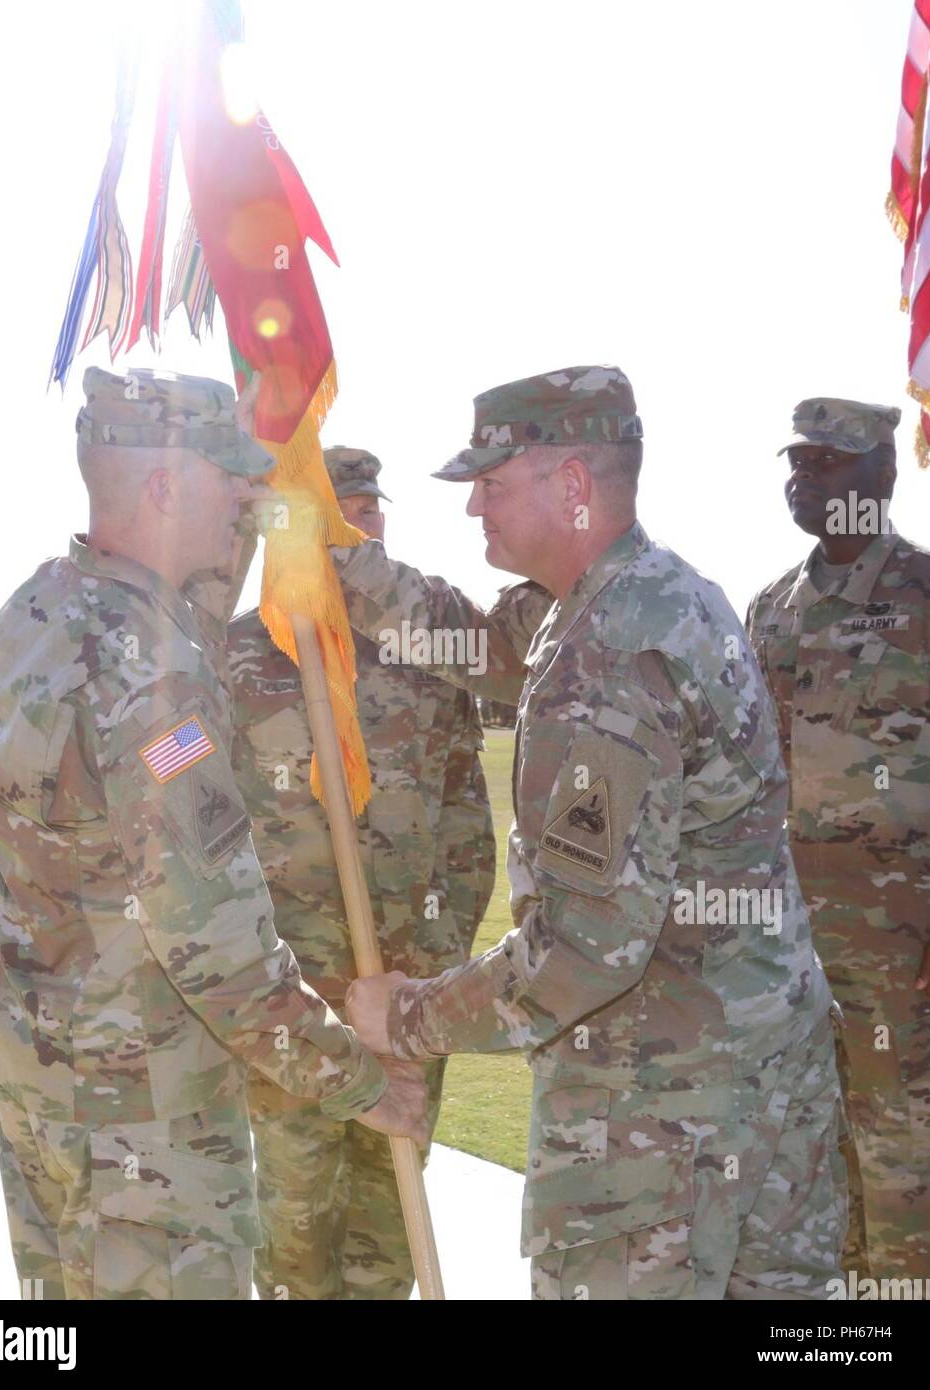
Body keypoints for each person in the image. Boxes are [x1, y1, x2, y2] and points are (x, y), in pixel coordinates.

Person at [327, 364, 846, 1299]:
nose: (472, 505)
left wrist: (406, 1016)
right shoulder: (665, 595)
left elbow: (585, 952)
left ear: (571, 485)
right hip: (770, 1075)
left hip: (657, 1116)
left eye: (491, 480)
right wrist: (350, 564)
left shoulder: (604, 652)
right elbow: (476, 648)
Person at [0, 367, 427, 1301]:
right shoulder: (155, 677)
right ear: (166, 487)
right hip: (148, 1124)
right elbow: (213, 944)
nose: (248, 494)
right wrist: (358, 1082)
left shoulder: (37, 611)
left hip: (45, 1095)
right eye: (228, 473)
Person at [228, 443, 551, 1298]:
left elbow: (463, 831)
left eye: (372, 513)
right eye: (344, 514)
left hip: (402, 992)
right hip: (289, 1003)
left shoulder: (427, 657)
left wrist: (422, 975)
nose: (364, 528)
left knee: (389, 1217)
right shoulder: (234, 660)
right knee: (294, 1219)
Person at [746, 397, 930, 1284]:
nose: (805, 478)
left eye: (829, 462)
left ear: (884, 476)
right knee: (804, 1140)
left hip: (905, 939)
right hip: (786, 939)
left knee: (903, 1141)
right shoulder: (769, 609)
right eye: (798, 461)